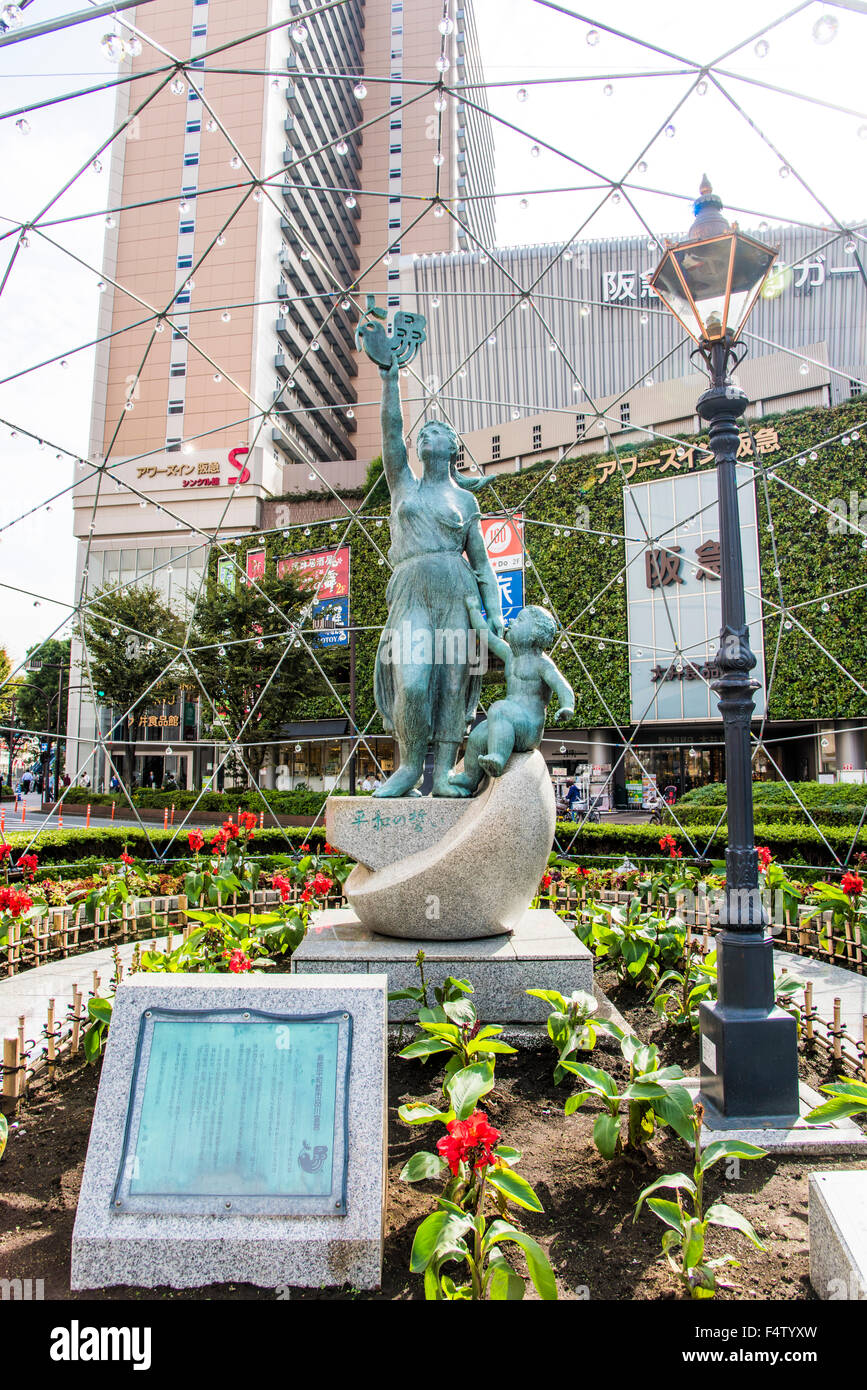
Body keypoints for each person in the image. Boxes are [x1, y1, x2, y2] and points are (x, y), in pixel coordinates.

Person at [370, 357, 505, 797]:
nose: (425, 436)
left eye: (436, 432)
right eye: (423, 434)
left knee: (452, 684)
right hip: (411, 593)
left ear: (452, 448)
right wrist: (390, 378)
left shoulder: (466, 501)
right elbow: (392, 432)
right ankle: (410, 767)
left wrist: (494, 612)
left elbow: (482, 563)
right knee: (412, 682)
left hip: (458, 595)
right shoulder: (403, 484)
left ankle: (443, 774)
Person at [450, 597, 575, 793]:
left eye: (519, 620)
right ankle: (470, 778)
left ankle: (498, 758)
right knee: (477, 735)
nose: (512, 623)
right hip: (507, 721)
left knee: (499, 708)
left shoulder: (542, 663)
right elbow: (487, 636)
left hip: (528, 728)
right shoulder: (510, 655)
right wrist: (474, 610)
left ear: (534, 633)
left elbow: (563, 686)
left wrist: (567, 706)